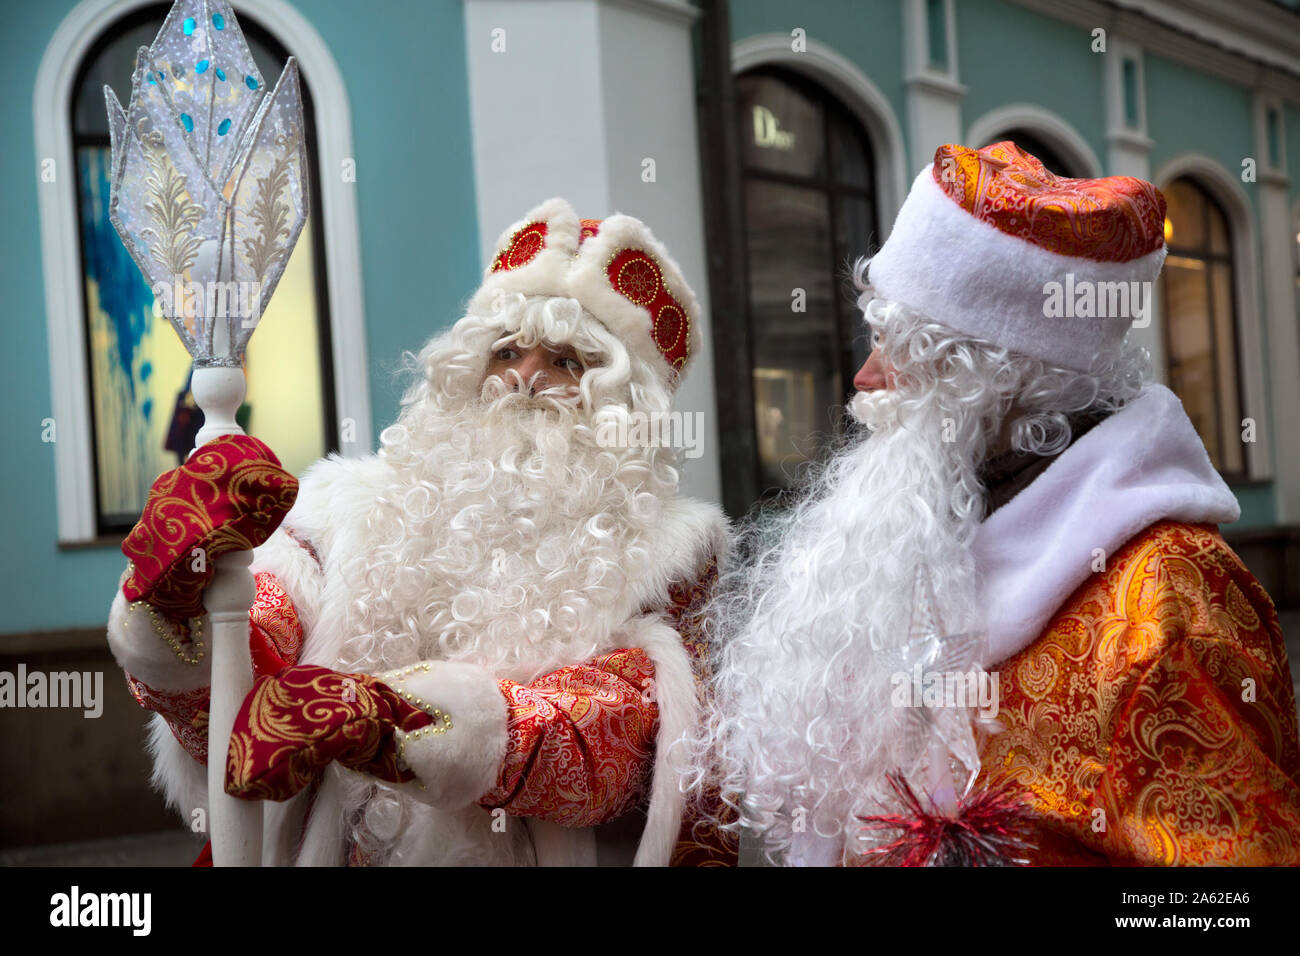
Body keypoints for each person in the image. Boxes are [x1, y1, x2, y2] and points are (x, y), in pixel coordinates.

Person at [692, 142, 1300, 866]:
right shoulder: (925, 539)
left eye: (894, 349)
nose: (866, 376)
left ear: (992, 378)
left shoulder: (1169, 599)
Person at [106, 198, 733, 866]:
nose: (523, 377)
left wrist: (396, 722)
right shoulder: (345, 509)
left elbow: (616, 743)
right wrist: (180, 610)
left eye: (567, 362)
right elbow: (249, 672)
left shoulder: (669, 558)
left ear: (622, 411)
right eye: (507, 350)